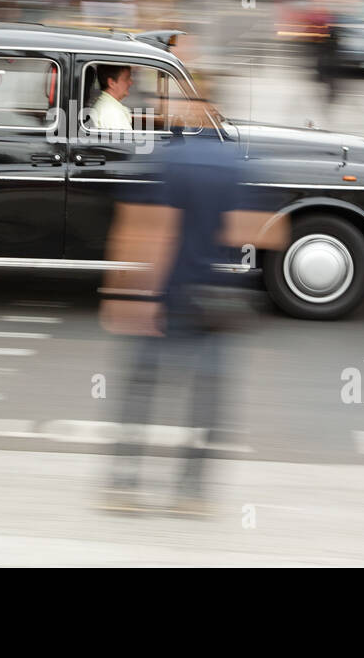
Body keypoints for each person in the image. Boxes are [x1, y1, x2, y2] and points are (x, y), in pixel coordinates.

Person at [98, 85, 284, 515]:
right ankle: (192, 492)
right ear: (215, 113)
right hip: (215, 298)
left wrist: (127, 295)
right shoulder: (235, 163)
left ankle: (125, 484)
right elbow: (264, 230)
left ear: (185, 112)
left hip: (168, 295)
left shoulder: (166, 161)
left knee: (142, 388)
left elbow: (150, 231)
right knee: (207, 396)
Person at [90, 63, 133, 130]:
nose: (131, 82)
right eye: (126, 78)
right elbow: (125, 140)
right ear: (111, 83)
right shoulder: (112, 113)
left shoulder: (108, 106)